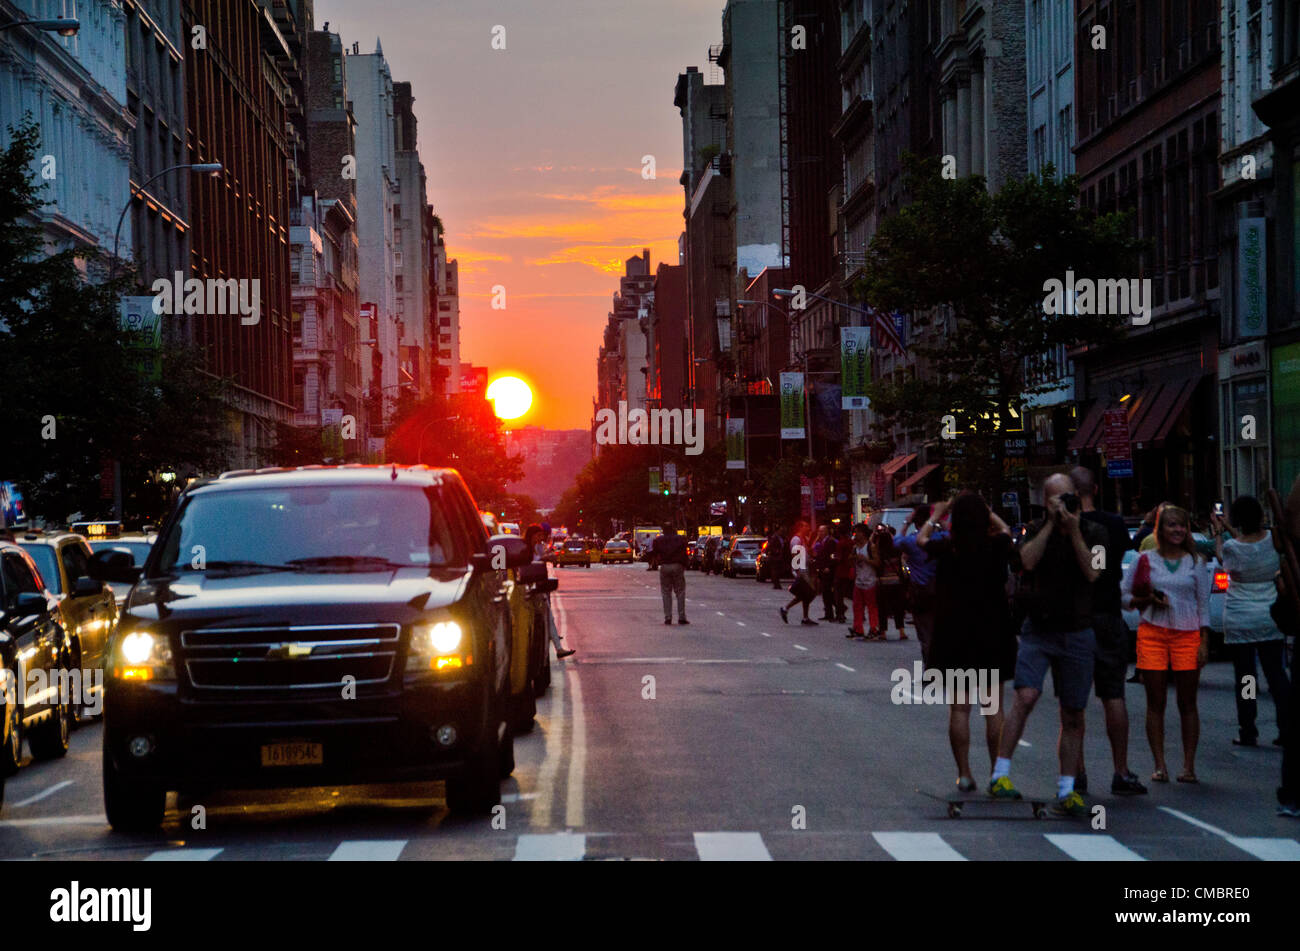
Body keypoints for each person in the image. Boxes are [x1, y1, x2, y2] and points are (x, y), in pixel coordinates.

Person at [993, 473, 1107, 816]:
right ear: (1045, 501)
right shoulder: (1035, 528)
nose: (1063, 505)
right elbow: (1025, 562)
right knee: (1025, 695)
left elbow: (1093, 572)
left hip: (1078, 630)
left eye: (1068, 498)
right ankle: (1000, 775)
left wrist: (1072, 529)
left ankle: (1067, 788)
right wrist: (1048, 526)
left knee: (1073, 712)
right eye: (1056, 499)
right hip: (1039, 629)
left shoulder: (1094, 533)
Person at [920, 494, 1015, 791]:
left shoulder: (948, 548)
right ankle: (997, 775)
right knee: (993, 708)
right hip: (990, 634)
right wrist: (989, 512)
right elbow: (1007, 532)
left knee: (959, 709)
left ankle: (963, 774)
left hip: (955, 635)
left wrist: (939, 513)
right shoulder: (994, 547)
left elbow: (921, 539)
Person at [1069, 467, 1145, 796]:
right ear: (1096, 489)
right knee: (1113, 695)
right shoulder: (1114, 525)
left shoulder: (1064, 525)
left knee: (1074, 702)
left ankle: (1077, 772)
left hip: (1074, 619)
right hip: (1109, 614)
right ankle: (1121, 770)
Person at [1121, 504, 1210, 784]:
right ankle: (1159, 765)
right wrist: (1148, 600)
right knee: (1155, 702)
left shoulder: (1195, 562)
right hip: (1152, 632)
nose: (1177, 530)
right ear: (1160, 529)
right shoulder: (1144, 559)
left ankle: (1188, 766)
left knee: (1187, 702)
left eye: (1182, 525)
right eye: (1171, 525)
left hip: (1187, 634)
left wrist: (1204, 641)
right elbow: (1123, 596)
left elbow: (1203, 604)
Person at [1213, 496, 1290, 748]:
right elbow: (1254, 545)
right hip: (1269, 617)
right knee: (1277, 676)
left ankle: (1249, 728)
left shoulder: (1233, 547)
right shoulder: (1272, 540)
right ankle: (1286, 728)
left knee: (1246, 678)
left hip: (1240, 619)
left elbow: (1224, 558)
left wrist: (1218, 534)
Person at [896, 504, 943, 666]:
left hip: (920, 592)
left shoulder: (911, 541)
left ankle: (931, 669)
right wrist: (939, 519)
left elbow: (897, 542)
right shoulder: (941, 538)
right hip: (942, 591)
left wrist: (905, 523)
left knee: (925, 634)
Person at [524, 524, 573, 659]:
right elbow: (529, 565)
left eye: (542, 536)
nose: (541, 538)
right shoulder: (525, 549)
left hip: (538, 588)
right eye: (538, 535)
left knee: (548, 618)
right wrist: (544, 558)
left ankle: (559, 649)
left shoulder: (537, 548)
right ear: (532, 535)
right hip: (527, 590)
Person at [780, 520, 818, 625]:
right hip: (801, 569)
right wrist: (798, 570)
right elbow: (795, 554)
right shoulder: (796, 539)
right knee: (808, 592)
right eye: (805, 526)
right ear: (800, 527)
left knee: (806, 594)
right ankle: (786, 608)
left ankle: (804, 616)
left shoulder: (804, 539)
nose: (808, 528)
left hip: (805, 568)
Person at [847, 523, 881, 639]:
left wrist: (866, 559)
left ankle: (873, 628)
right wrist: (853, 558)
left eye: (857, 532)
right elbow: (849, 561)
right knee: (857, 606)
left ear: (863, 533)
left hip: (870, 581)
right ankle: (858, 628)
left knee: (871, 607)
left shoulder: (871, 547)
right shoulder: (855, 548)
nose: (855, 535)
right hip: (859, 581)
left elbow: (877, 563)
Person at [873, 527, 907, 641]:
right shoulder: (897, 551)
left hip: (883, 583)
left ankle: (883, 632)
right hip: (897, 582)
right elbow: (902, 568)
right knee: (898, 608)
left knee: (882, 609)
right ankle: (901, 631)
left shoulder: (879, 554)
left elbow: (877, 567)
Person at [651, 525, 689, 625]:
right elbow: (685, 552)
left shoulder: (658, 540)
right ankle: (681, 616)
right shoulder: (681, 539)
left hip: (664, 566)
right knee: (680, 592)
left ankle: (668, 617)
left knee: (666, 592)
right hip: (678, 565)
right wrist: (685, 564)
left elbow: (654, 553)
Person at [832, 524, 855, 623]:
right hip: (850, 570)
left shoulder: (841, 543)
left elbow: (839, 558)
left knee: (838, 594)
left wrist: (833, 558)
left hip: (841, 571)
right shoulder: (852, 542)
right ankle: (861, 614)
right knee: (851, 593)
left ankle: (840, 614)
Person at [813, 525, 836, 621]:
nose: (820, 533)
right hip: (822, 568)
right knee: (825, 592)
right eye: (819, 531)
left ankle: (832, 612)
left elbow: (832, 555)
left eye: (822, 531)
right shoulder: (821, 541)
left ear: (827, 531)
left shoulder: (830, 541)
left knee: (828, 592)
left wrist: (829, 566)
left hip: (827, 569)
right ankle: (828, 612)